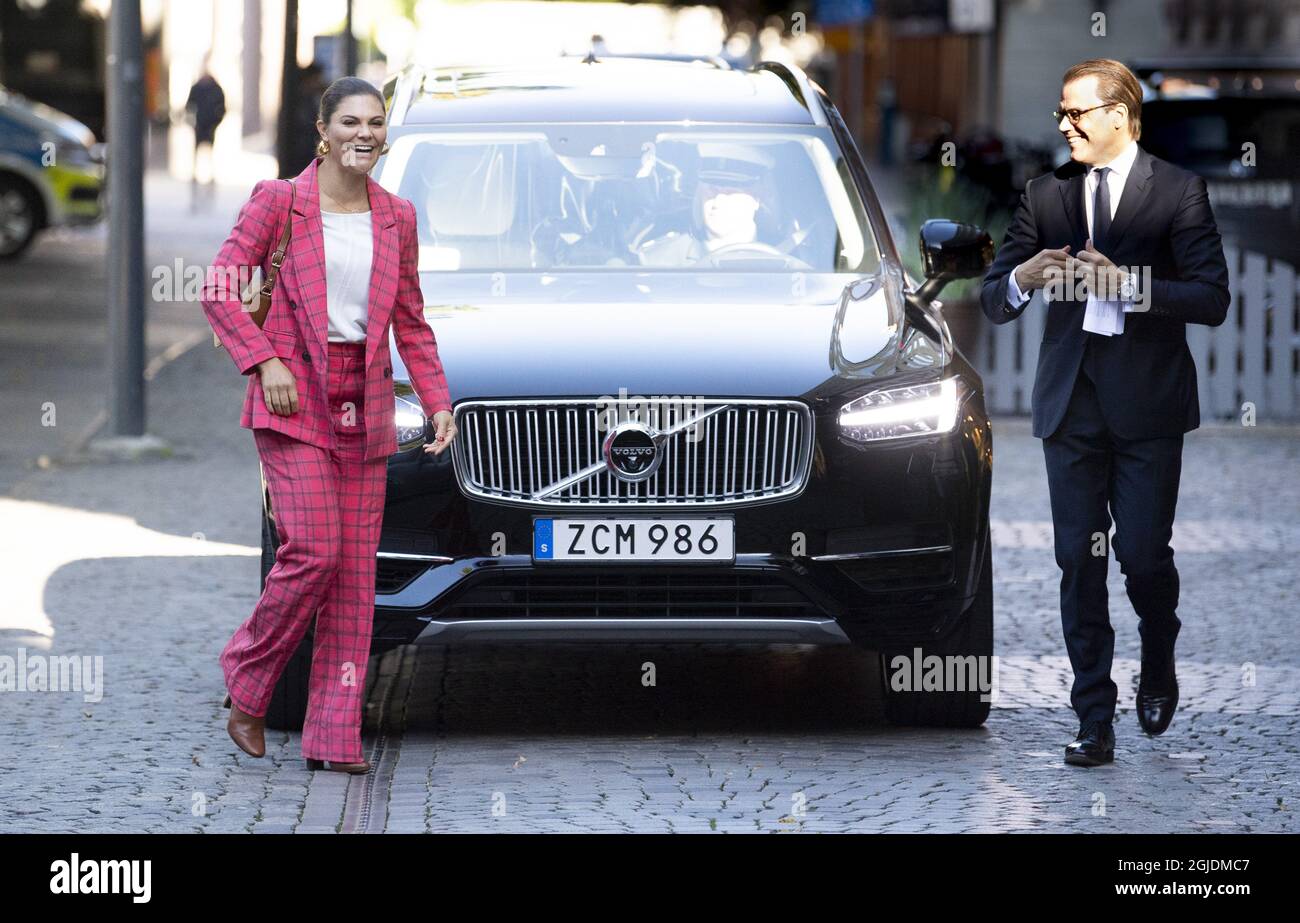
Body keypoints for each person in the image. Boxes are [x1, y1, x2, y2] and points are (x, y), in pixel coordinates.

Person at [201, 76, 458, 773]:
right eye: (350, 122)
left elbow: (411, 318)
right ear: (323, 129)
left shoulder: (397, 217)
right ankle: (247, 678)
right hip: (293, 399)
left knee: (350, 576)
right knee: (312, 550)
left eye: (375, 123)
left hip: (367, 403)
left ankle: (333, 735)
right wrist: (263, 361)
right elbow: (220, 285)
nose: (364, 134)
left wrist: (437, 398)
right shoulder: (279, 202)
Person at [980, 59, 1229, 767]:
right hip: (1071, 409)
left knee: (1142, 555)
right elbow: (996, 296)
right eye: (1061, 112)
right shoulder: (1044, 194)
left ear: (1119, 115)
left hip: (1149, 407)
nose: (1063, 124)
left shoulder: (1179, 192)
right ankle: (1094, 715)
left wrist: (1132, 285)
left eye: (1076, 113)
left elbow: (1212, 297)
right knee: (1076, 563)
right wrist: (1022, 280)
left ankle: (1159, 645)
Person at [634, 142, 785, 267]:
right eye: (711, 189)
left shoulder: (788, 260)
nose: (718, 199)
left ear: (757, 198)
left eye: (731, 192)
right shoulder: (659, 262)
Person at [185, 58, 225, 211]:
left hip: (210, 128)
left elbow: (222, 108)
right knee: (197, 162)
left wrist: (215, 121)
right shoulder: (197, 88)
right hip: (199, 127)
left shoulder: (215, 88)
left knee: (209, 161)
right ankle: (196, 195)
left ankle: (209, 193)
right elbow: (189, 106)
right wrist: (192, 123)